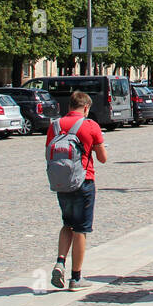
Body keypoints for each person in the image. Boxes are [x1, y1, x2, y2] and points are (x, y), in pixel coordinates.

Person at [48, 90, 107, 292]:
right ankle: (76, 277)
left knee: (67, 224)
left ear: (69, 106)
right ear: (86, 107)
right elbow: (102, 158)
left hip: (61, 182)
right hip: (84, 181)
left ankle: (60, 262)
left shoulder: (55, 125)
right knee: (81, 230)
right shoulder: (90, 125)